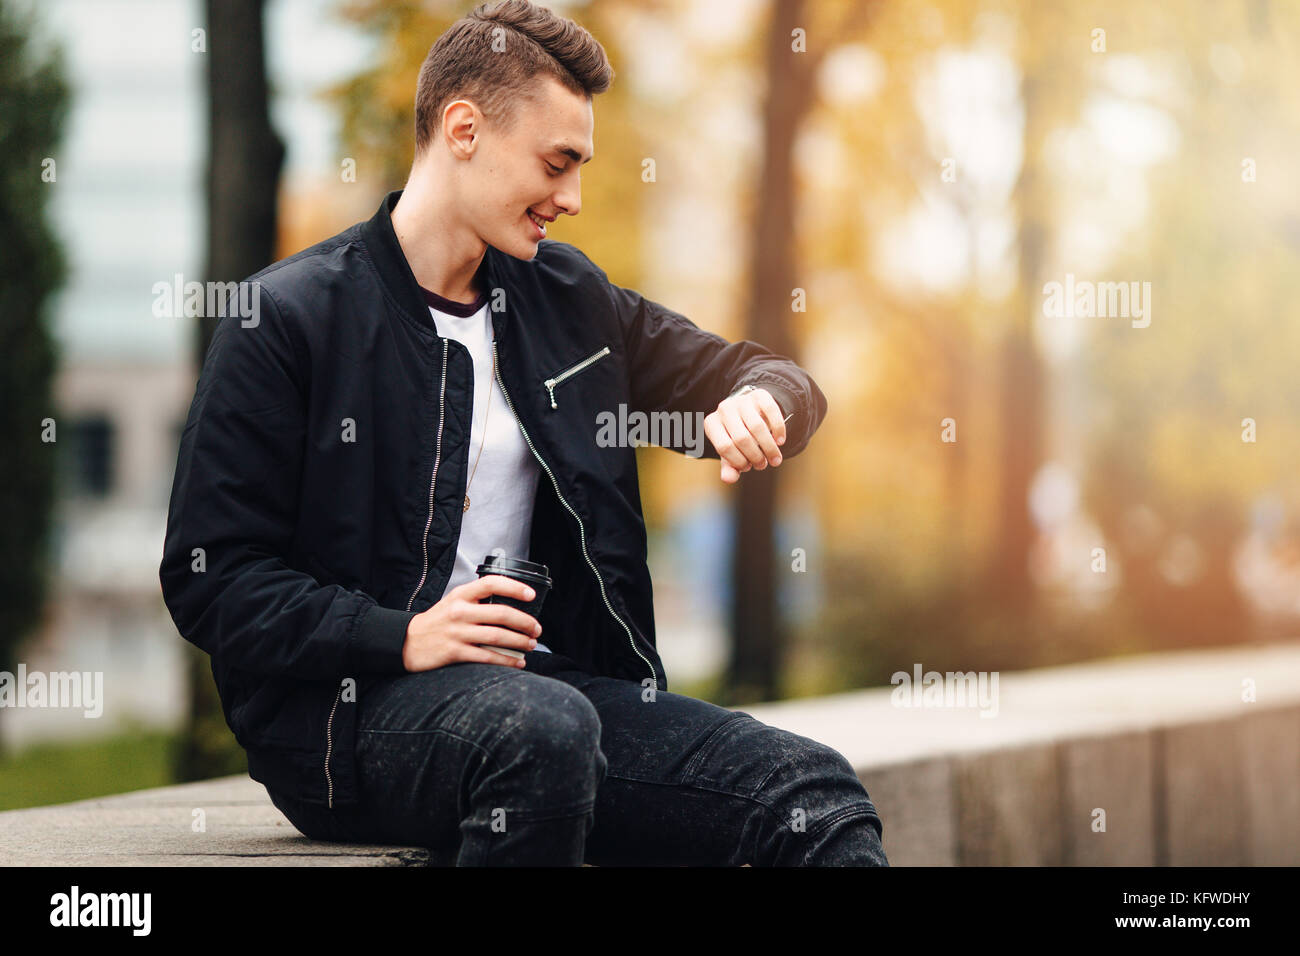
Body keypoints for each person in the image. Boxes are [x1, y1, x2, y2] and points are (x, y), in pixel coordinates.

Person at [159, 0, 887, 866]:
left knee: (813, 794)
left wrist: (759, 402)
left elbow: (767, 375)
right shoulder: (286, 320)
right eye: (557, 163)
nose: (571, 198)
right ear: (463, 129)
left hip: (556, 696)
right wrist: (401, 633)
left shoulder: (567, 301)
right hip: (346, 714)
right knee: (540, 736)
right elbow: (214, 577)